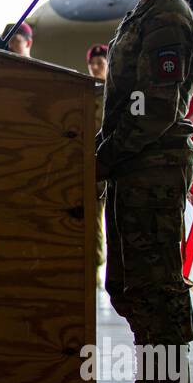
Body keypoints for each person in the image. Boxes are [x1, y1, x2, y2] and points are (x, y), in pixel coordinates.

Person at [95, 0, 193, 383]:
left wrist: (104, 156)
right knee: (132, 280)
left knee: (157, 277)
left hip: (153, 165)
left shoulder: (167, 19)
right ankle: (152, 381)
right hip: (131, 165)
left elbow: (153, 108)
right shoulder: (141, 15)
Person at [86, 43, 110, 270]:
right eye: (92, 64)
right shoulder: (84, 92)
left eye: (99, 63)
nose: (94, 67)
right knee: (93, 219)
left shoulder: (115, 92)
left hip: (110, 158)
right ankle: (95, 262)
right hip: (90, 161)